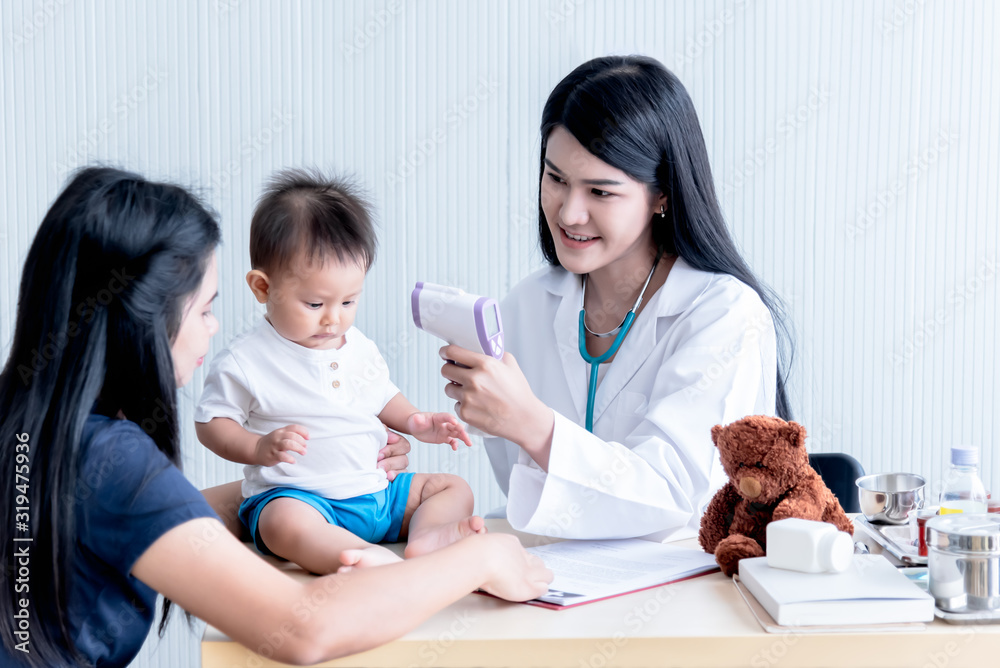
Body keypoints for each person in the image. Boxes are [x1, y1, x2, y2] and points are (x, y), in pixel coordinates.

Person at [0, 167, 551, 668]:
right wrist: (482, 559)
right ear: (138, 318)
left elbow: (159, 515)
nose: (214, 328)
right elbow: (302, 630)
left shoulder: (38, 436)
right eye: (205, 309)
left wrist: (320, 474)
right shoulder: (113, 459)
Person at [439, 55, 793, 542]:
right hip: (547, 570)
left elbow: (677, 495)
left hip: (684, 579)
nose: (569, 213)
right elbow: (519, 481)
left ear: (662, 194)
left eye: (600, 192)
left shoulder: (724, 315)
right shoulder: (526, 305)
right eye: (556, 178)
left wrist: (534, 426)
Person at [195, 169, 486, 574]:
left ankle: (427, 537)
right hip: (304, 499)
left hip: (378, 492)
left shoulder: (358, 346)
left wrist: (416, 421)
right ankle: (351, 555)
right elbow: (212, 423)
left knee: (452, 487)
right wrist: (256, 448)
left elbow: (381, 395)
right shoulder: (247, 360)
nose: (334, 319)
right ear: (263, 288)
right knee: (280, 523)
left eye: (348, 301)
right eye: (315, 304)